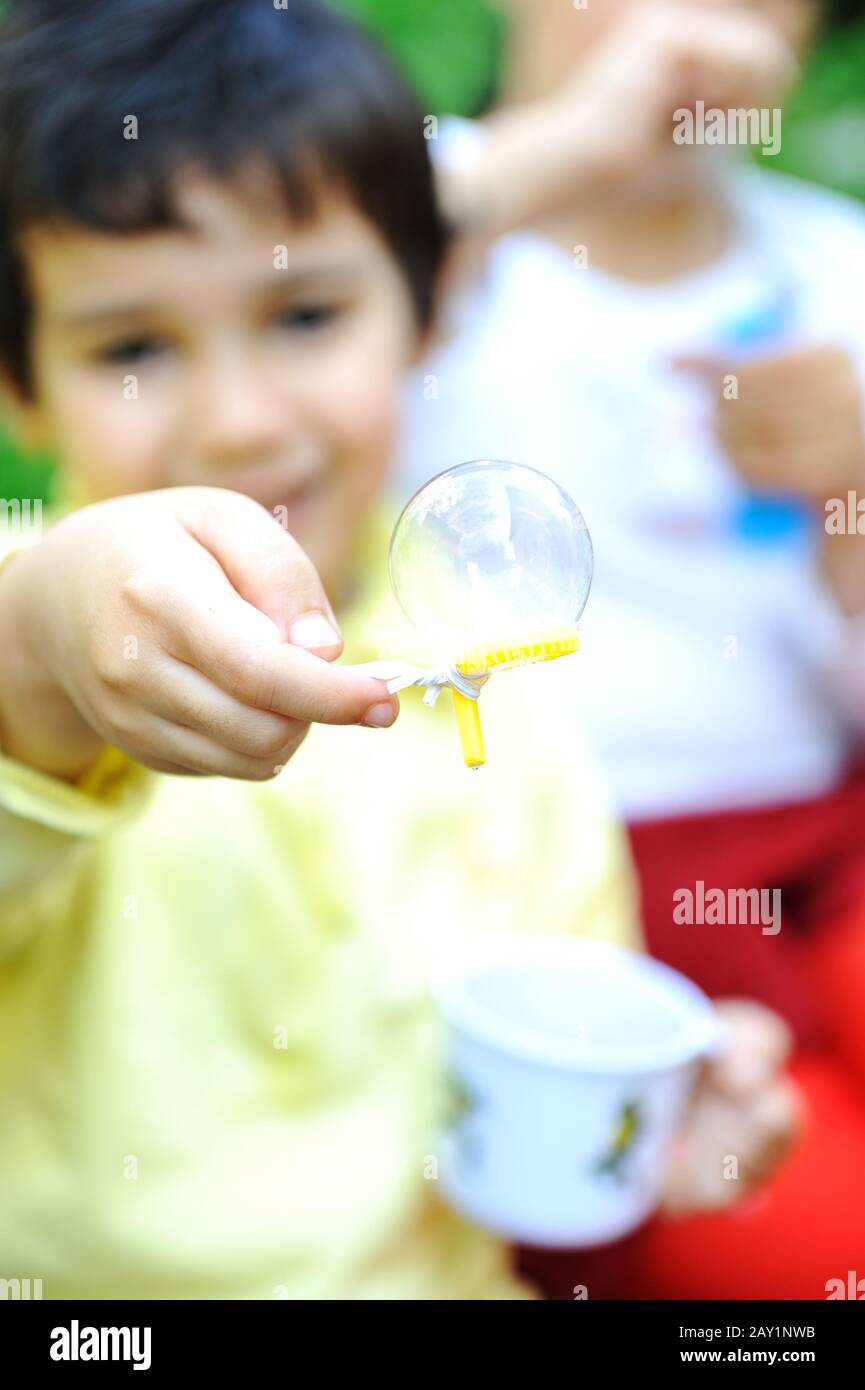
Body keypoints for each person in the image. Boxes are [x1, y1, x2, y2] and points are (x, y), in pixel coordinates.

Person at [0, 0, 795, 1299]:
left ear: (429, 319)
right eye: (133, 347)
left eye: (306, 316)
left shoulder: (510, 711)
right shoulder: (43, 638)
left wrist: (642, 1121)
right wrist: (43, 641)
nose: (241, 419)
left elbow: (502, 1090)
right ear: (18, 381)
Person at [401, 0, 865, 1296]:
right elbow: (261, 265)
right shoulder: (432, 240)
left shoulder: (835, 273)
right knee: (793, 1238)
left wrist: (851, 504)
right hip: (536, 875)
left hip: (816, 842)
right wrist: (560, 146)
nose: (673, 19)